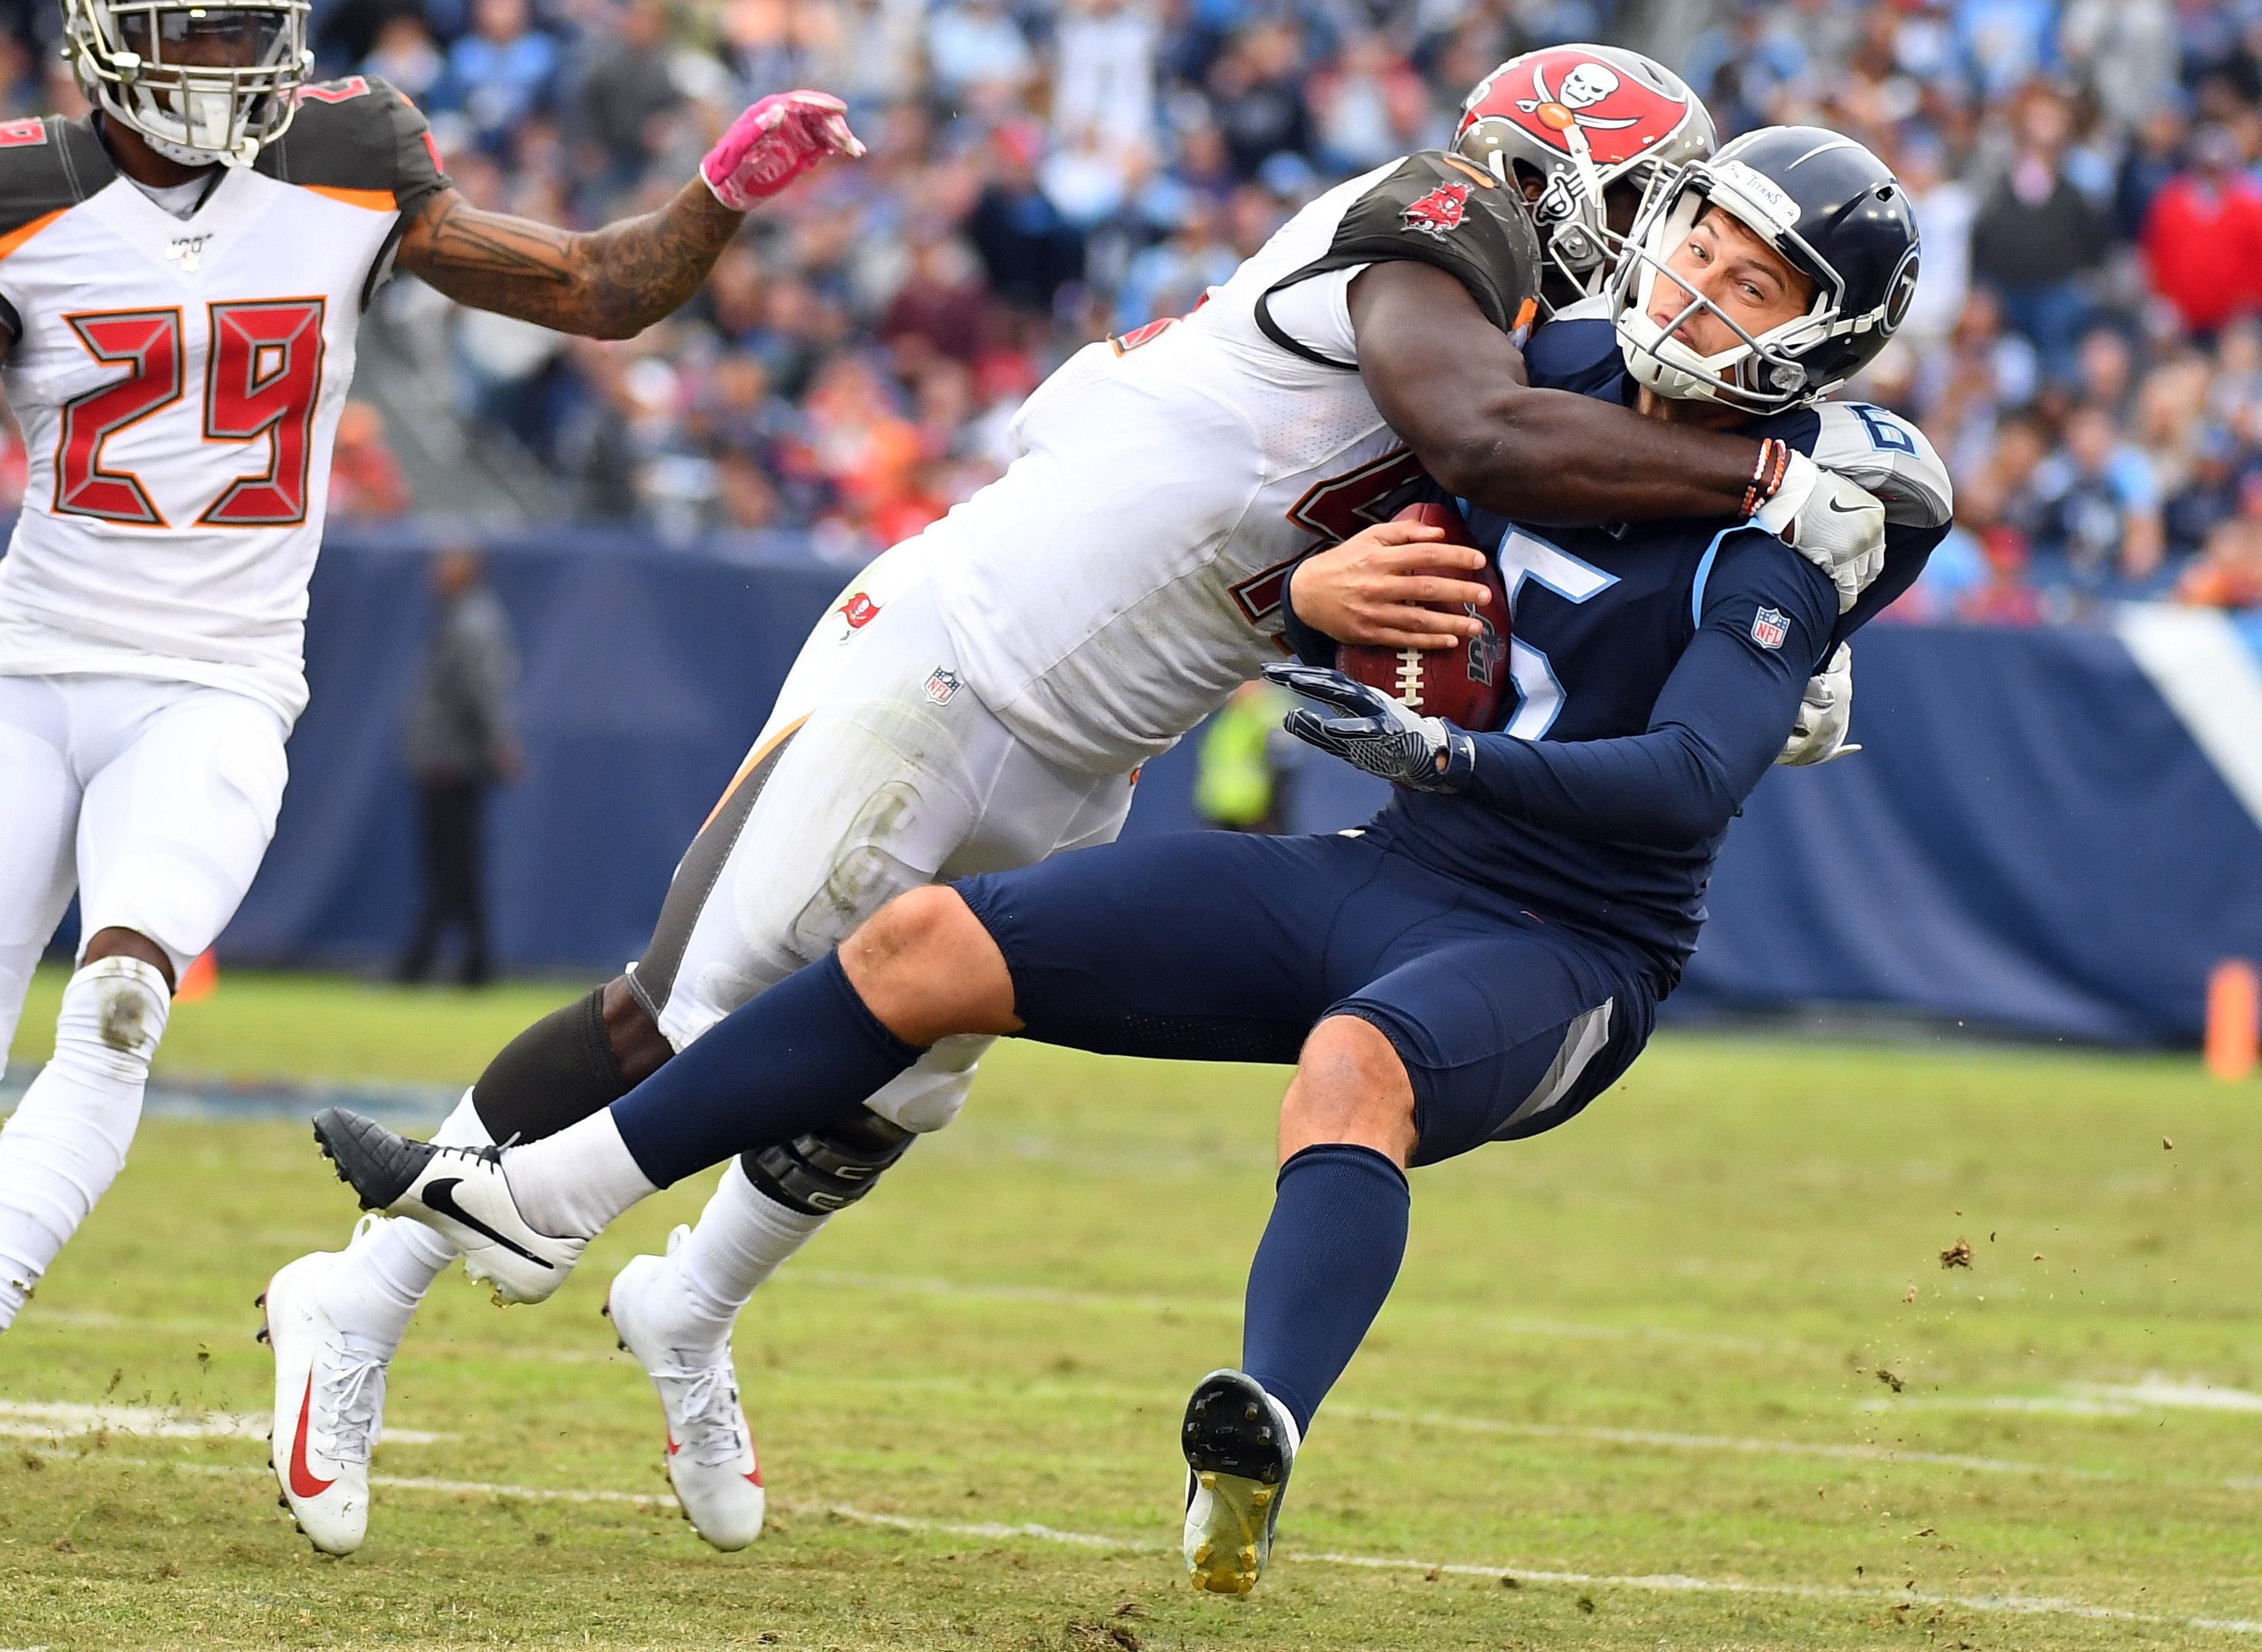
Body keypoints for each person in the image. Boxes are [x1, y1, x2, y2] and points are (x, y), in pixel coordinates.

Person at [271, 45, 1900, 1560]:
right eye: (1646, 216)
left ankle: (688, 1305)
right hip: (963, 653)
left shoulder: (1544, 355)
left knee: (895, 1072)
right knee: (692, 1014)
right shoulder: (1438, 222)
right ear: (1555, 181)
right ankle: (363, 1294)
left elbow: (1541, 528)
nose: (1653, 265)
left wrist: (1790, 618)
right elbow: (1488, 434)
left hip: (1102, 723)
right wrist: (1780, 480)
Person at [0, 0, 858, 1371]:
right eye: (203, 34)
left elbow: (593, 286)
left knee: (116, 1011)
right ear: (111, 38)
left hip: (216, 683)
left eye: (250, 31)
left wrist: (716, 196)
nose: (237, 62)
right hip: (24, 670)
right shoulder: (20, 188)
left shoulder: (345, 154)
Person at [397, 549, 520, 987]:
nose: (435, 573)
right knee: (459, 869)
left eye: (445, 563)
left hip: (453, 761)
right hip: (450, 758)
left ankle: (422, 964)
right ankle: (475, 965)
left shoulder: (472, 623)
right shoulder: (464, 618)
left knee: (448, 867)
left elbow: (479, 694)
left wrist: (498, 747)